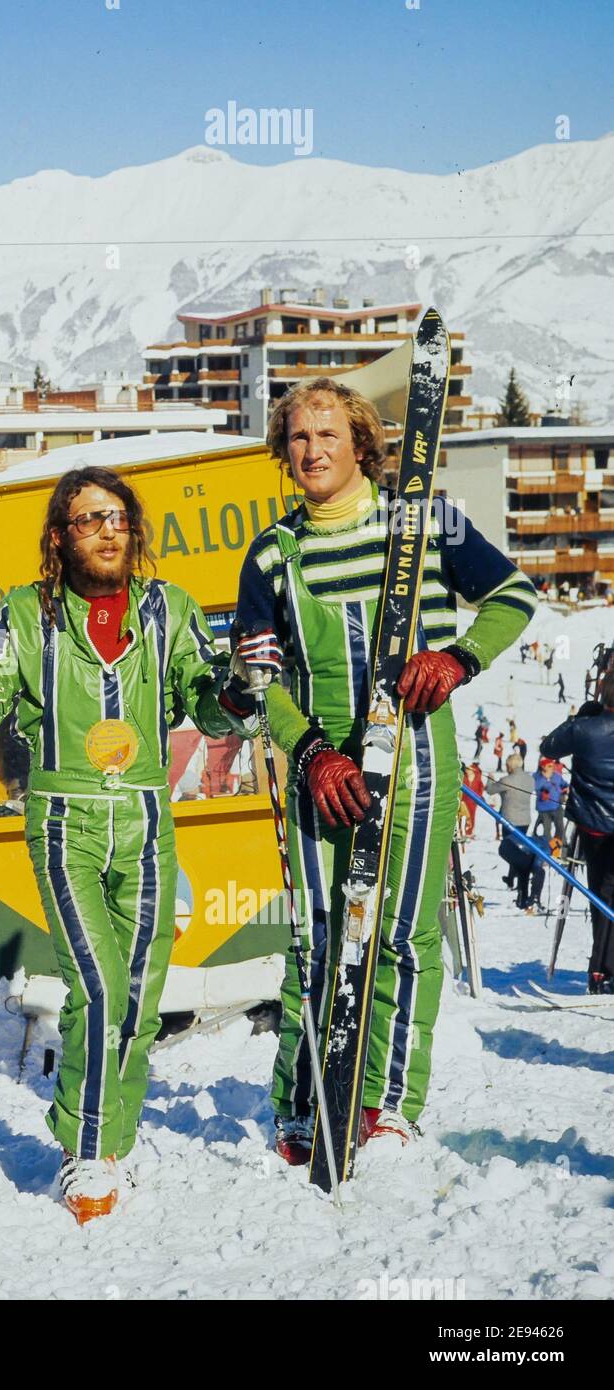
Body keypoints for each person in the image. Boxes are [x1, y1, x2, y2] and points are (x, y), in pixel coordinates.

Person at [0, 464, 260, 1222]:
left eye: (116, 517)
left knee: (140, 999)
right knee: (100, 987)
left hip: (147, 823)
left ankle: (113, 1139)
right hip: (64, 820)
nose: (107, 530)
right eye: (88, 519)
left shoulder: (169, 609)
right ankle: (82, 1152)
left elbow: (208, 709)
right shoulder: (25, 613)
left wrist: (240, 690)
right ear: (59, 536)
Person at [234, 376, 536, 1163]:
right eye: (298, 437)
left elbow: (514, 593)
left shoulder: (422, 523)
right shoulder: (274, 553)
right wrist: (310, 752)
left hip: (415, 751)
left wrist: (458, 656)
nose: (313, 450)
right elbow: (261, 683)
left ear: (361, 443)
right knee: (318, 938)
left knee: (401, 933)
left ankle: (388, 1104)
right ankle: (303, 1107)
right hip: (320, 764)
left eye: (328, 434)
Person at [540, 672, 614, 992]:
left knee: (603, 898)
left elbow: (550, 747)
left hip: (595, 827)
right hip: (597, 826)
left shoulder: (585, 729)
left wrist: (580, 718)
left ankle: (602, 970)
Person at [487, 753, 543, 912]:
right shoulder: (530, 779)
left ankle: (518, 886)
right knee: (519, 852)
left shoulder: (506, 780)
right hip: (525, 821)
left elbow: (490, 791)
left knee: (512, 853)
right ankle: (516, 884)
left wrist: (490, 779)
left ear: (510, 765)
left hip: (509, 822)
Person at [532, 757, 567, 844]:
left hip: (556, 807)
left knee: (560, 829)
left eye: (553, 766)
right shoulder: (536, 776)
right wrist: (545, 778)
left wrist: (566, 788)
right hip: (544, 809)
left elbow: (564, 784)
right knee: (546, 831)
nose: (553, 768)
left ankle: (560, 850)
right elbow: (535, 787)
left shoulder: (556, 776)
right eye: (550, 766)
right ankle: (547, 848)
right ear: (543, 767)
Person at [461, 761, 485, 837]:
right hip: (463, 800)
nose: (468, 771)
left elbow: (481, 787)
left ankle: (469, 831)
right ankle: (463, 831)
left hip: (473, 801)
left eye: (469, 770)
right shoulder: (464, 777)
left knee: (472, 816)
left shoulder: (477, 777)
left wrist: (479, 796)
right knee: (463, 816)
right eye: (467, 769)